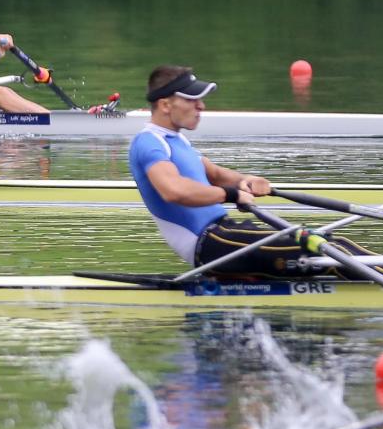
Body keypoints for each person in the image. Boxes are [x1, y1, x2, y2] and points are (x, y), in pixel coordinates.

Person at [127, 65, 312, 278]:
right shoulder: (148, 143)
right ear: (165, 105)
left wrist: (247, 180)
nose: (201, 106)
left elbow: (215, 174)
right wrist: (231, 194)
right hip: (210, 243)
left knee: (320, 243)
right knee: (316, 249)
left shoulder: (178, 140)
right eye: (191, 100)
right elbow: (174, 191)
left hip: (226, 234)